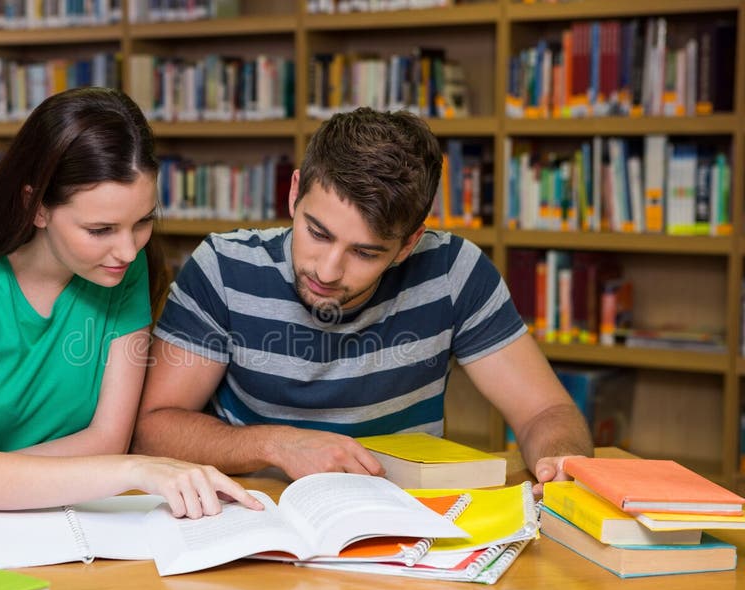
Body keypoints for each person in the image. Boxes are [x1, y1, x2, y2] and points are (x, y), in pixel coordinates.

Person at [132, 107, 592, 496]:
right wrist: (276, 444)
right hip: (260, 514)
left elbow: (545, 412)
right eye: (317, 232)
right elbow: (154, 428)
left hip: (402, 524)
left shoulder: (454, 271)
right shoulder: (224, 268)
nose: (328, 271)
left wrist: (559, 461)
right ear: (294, 192)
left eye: (365, 253)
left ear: (409, 244)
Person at [0, 87, 261, 518]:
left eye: (142, 222)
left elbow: (107, 442)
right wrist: (136, 469)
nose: (127, 250)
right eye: (100, 229)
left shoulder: (122, 270)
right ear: (36, 207)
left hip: (21, 513)